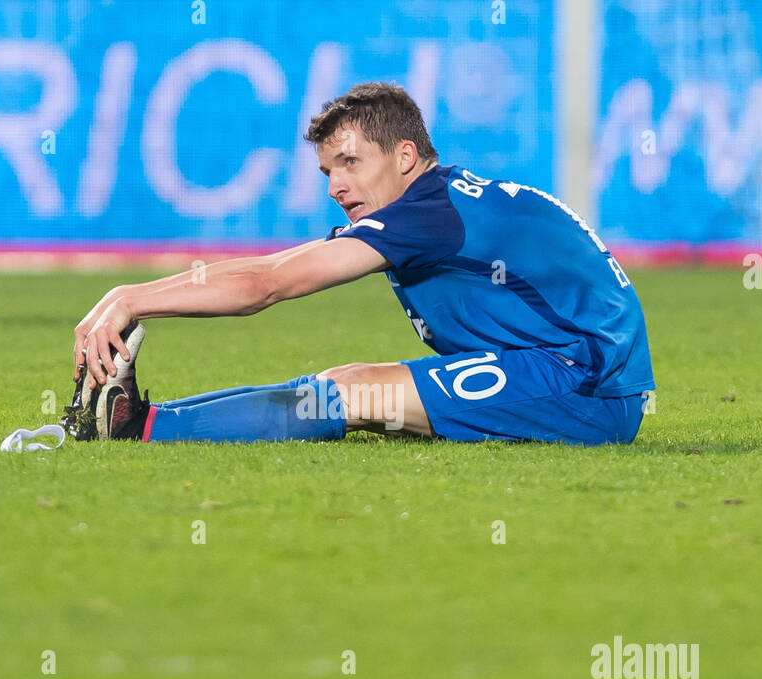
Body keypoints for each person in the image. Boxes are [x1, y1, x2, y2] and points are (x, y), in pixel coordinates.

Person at [64, 81, 655, 445]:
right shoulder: (432, 205)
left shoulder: (429, 215)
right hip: (565, 363)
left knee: (343, 397)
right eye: (327, 172)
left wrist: (131, 298)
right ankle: (141, 420)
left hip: (586, 384)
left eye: (349, 163)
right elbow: (275, 264)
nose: (336, 186)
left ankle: (137, 427)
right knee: (338, 386)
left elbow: (267, 286)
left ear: (405, 156)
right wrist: (137, 293)